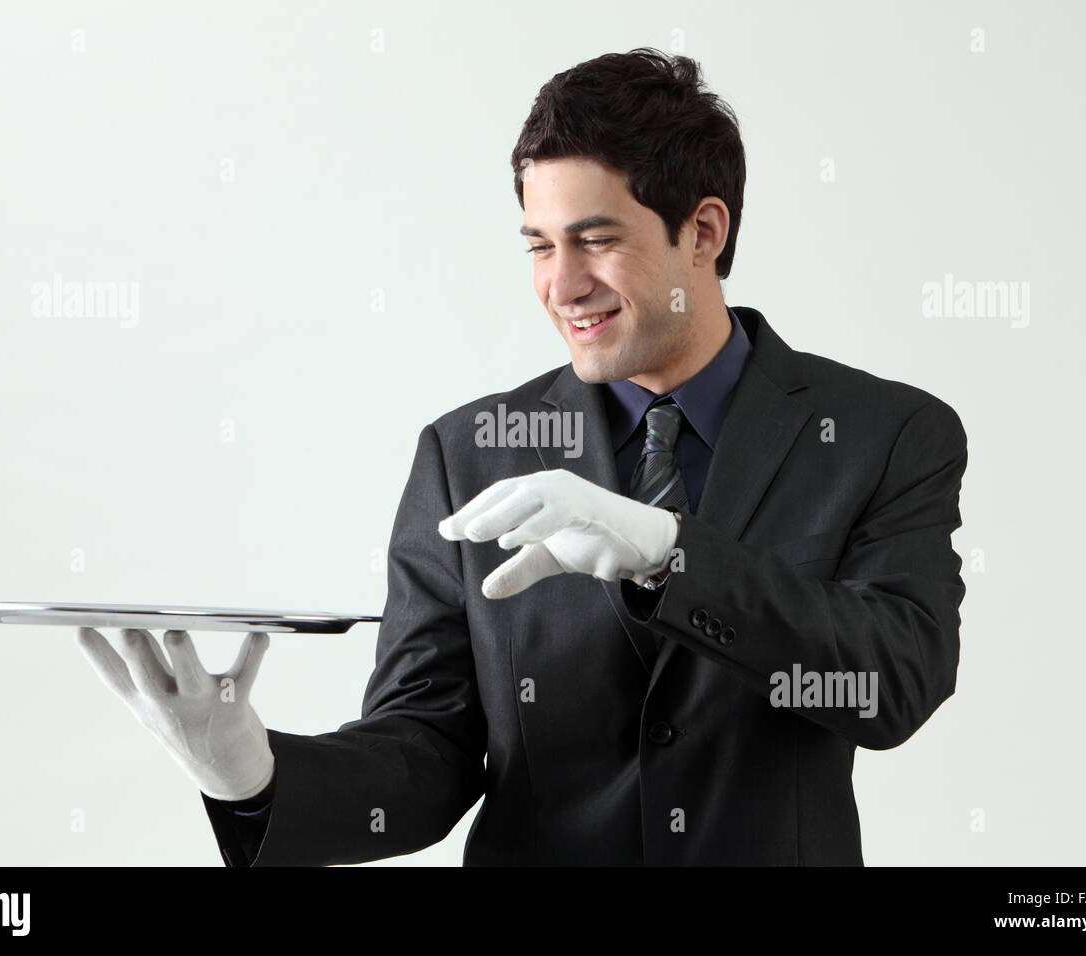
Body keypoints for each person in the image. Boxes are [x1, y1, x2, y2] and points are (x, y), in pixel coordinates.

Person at [77, 48, 967, 866]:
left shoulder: (885, 433)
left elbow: (891, 684)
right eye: (540, 245)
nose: (562, 283)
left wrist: (669, 556)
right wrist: (254, 777)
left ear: (701, 233)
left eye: (597, 238)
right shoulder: (467, 453)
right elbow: (429, 747)